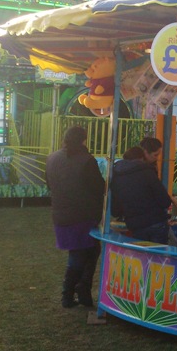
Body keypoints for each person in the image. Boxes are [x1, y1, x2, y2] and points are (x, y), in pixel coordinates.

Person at [45, 126, 105, 308]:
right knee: (82, 253)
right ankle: (70, 292)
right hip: (83, 214)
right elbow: (99, 187)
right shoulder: (87, 161)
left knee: (86, 251)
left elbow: (48, 183)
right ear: (84, 140)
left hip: (60, 212)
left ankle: (80, 290)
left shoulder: (52, 158)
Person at [111, 146, 172, 244]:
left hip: (135, 224)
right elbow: (165, 200)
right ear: (142, 158)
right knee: (158, 256)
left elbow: (115, 209)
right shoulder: (147, 172)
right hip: (155, 221)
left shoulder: (116, 175)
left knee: (141, 255)